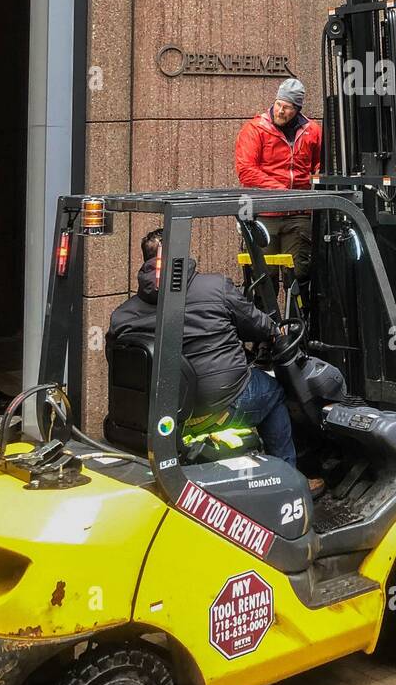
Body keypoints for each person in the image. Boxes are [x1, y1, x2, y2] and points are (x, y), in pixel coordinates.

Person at [107, 228, 297, 466]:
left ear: (146, 259)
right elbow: (257, 324)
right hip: (222, 404)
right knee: (273, 392)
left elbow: (118, 364)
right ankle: (288, 474)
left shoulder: (122, 316)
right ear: (182, 253)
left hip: (165, 415)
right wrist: (274, 332)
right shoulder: (216, 287)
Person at [235, 78, 322, 303]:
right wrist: (282, 190)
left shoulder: (312, 131)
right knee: (264, 276)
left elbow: (320, 165)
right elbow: (246, 170)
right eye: (278, 104)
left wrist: (316, 183)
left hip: (299, 214)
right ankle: (268, 332)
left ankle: (301, 325)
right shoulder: (255, 129)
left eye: (287, 107)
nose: (280, 111)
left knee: (301, 273)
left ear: (297, 109)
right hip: (266, 213)